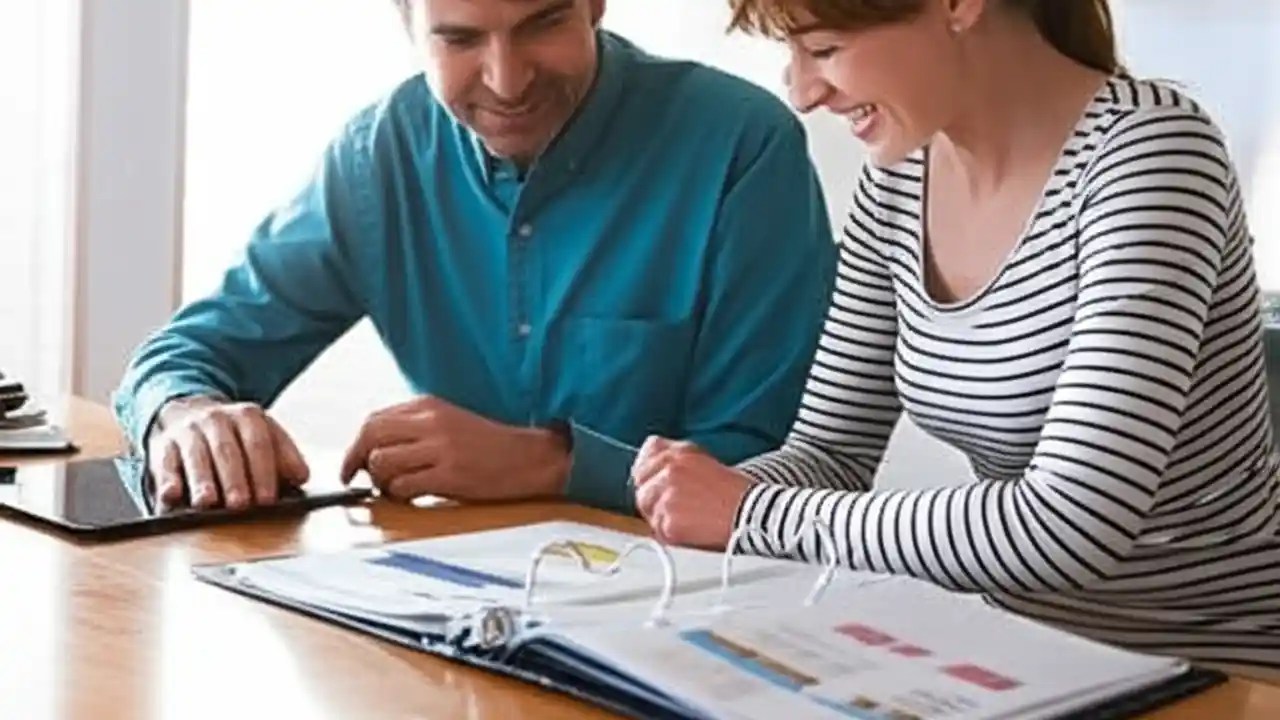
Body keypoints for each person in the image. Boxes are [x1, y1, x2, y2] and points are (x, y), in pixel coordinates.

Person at [632, 0, 1280, 677]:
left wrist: (750, 511)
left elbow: (1070, 525)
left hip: (1217, 673)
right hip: (1027, 663)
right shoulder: (901, 176)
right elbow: (830, 452)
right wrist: (690, 501)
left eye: (822, 50)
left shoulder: (1152, 156)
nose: (801, 93)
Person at [112, 0, 835, 516]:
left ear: (595, 5)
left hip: (691, 612)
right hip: (446, 612)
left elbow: (789, 469)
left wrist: (553, 465)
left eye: (542, 23)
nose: (507, 80)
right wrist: (186, 412)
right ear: (409, 26)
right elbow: (186, 353)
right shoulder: (379, 156)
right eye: (458, 39)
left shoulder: (741, 144)